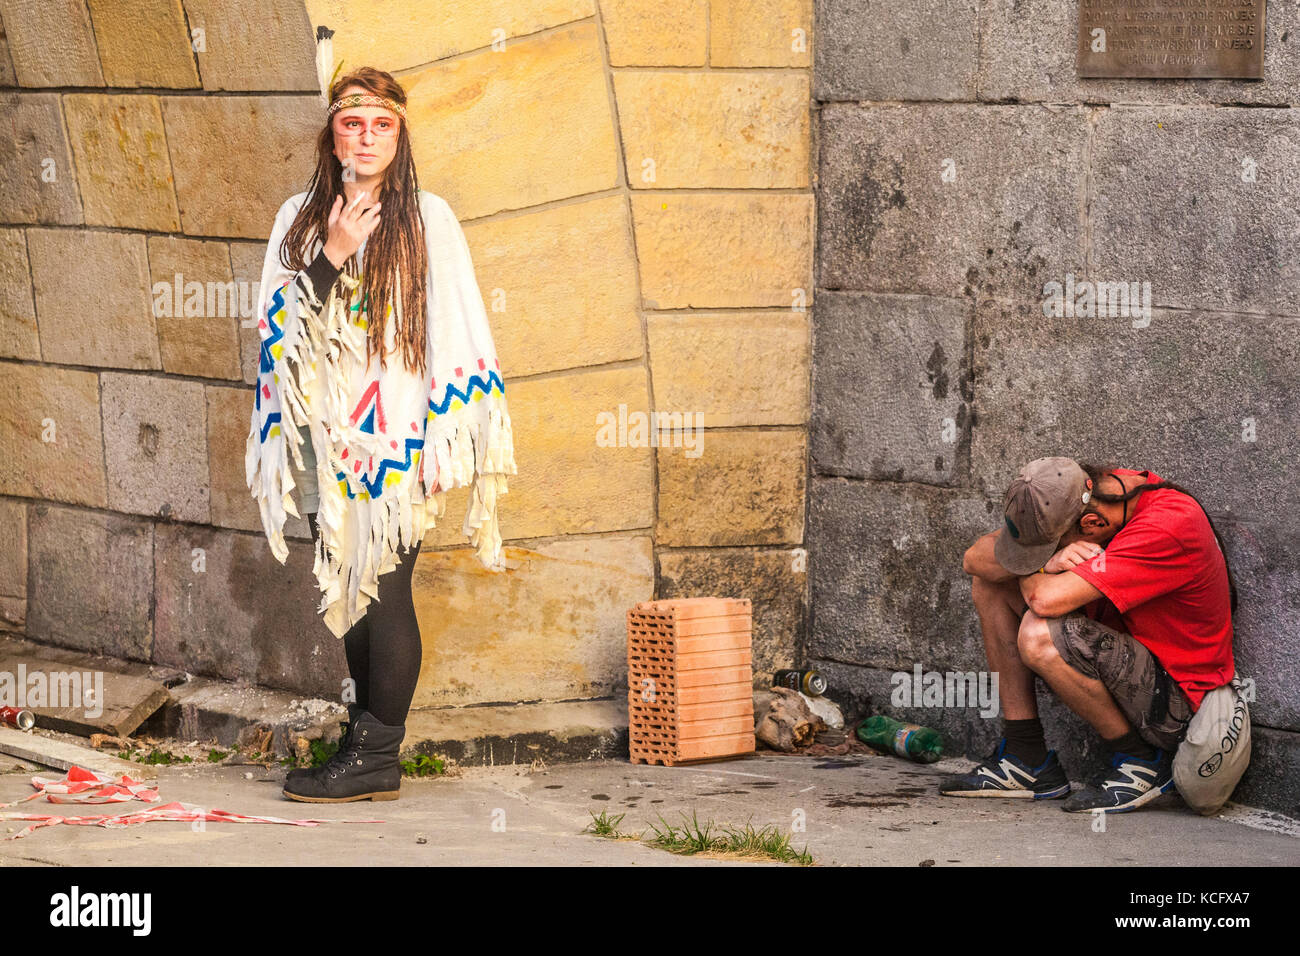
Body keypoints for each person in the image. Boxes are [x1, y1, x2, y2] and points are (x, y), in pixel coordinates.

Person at [245, 60, 517, 803]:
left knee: (387, 589)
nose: (366, 137)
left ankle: (377, 751)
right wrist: (330, 253)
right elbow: (277, 338)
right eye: (351, 123)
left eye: (381, 125)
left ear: (399, 135)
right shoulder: (296, 219)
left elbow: (458, 329)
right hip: (319, 443)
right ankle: (367, 741)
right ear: (331, 135)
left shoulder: (430, 219)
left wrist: (443, 435)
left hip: (396, 438)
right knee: (350, 588)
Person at [940, 457, 1236, 813]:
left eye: (1053, 543)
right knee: (991, 583)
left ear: (1092, 524)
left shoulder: (1167, 525)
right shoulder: (1091, 492)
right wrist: (1047, 557)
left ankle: (1142, 762)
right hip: (1126, 664)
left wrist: (1036, 563)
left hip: (1178, 704)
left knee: (1038, 632)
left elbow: (1043, 599)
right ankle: (1026, 757)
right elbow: (974, 559)